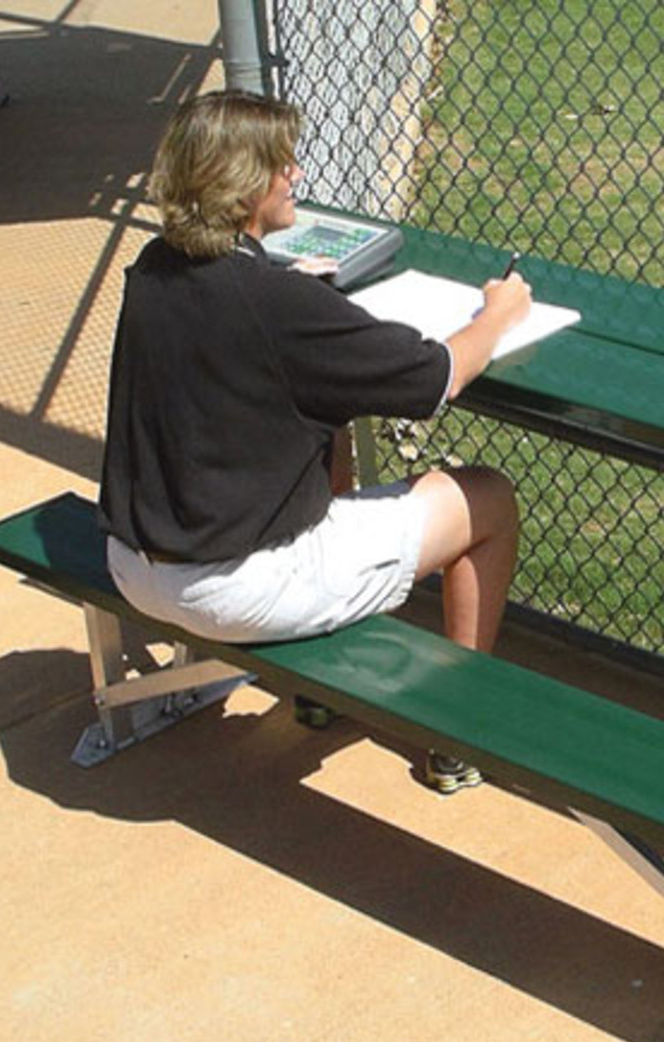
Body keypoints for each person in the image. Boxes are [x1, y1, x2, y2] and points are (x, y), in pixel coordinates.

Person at [98, 90, 532, 794]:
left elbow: (237, 333)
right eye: (280, 164)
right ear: (242, 187)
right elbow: (436, 376)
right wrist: (498, 314)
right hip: (233, 590)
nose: (294, 173)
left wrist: (287, 292)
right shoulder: (274, 305)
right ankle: (458, 732)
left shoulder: (153, 267)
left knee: (324, 432)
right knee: (488, 499)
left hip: (132, 562)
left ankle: (320, 688)